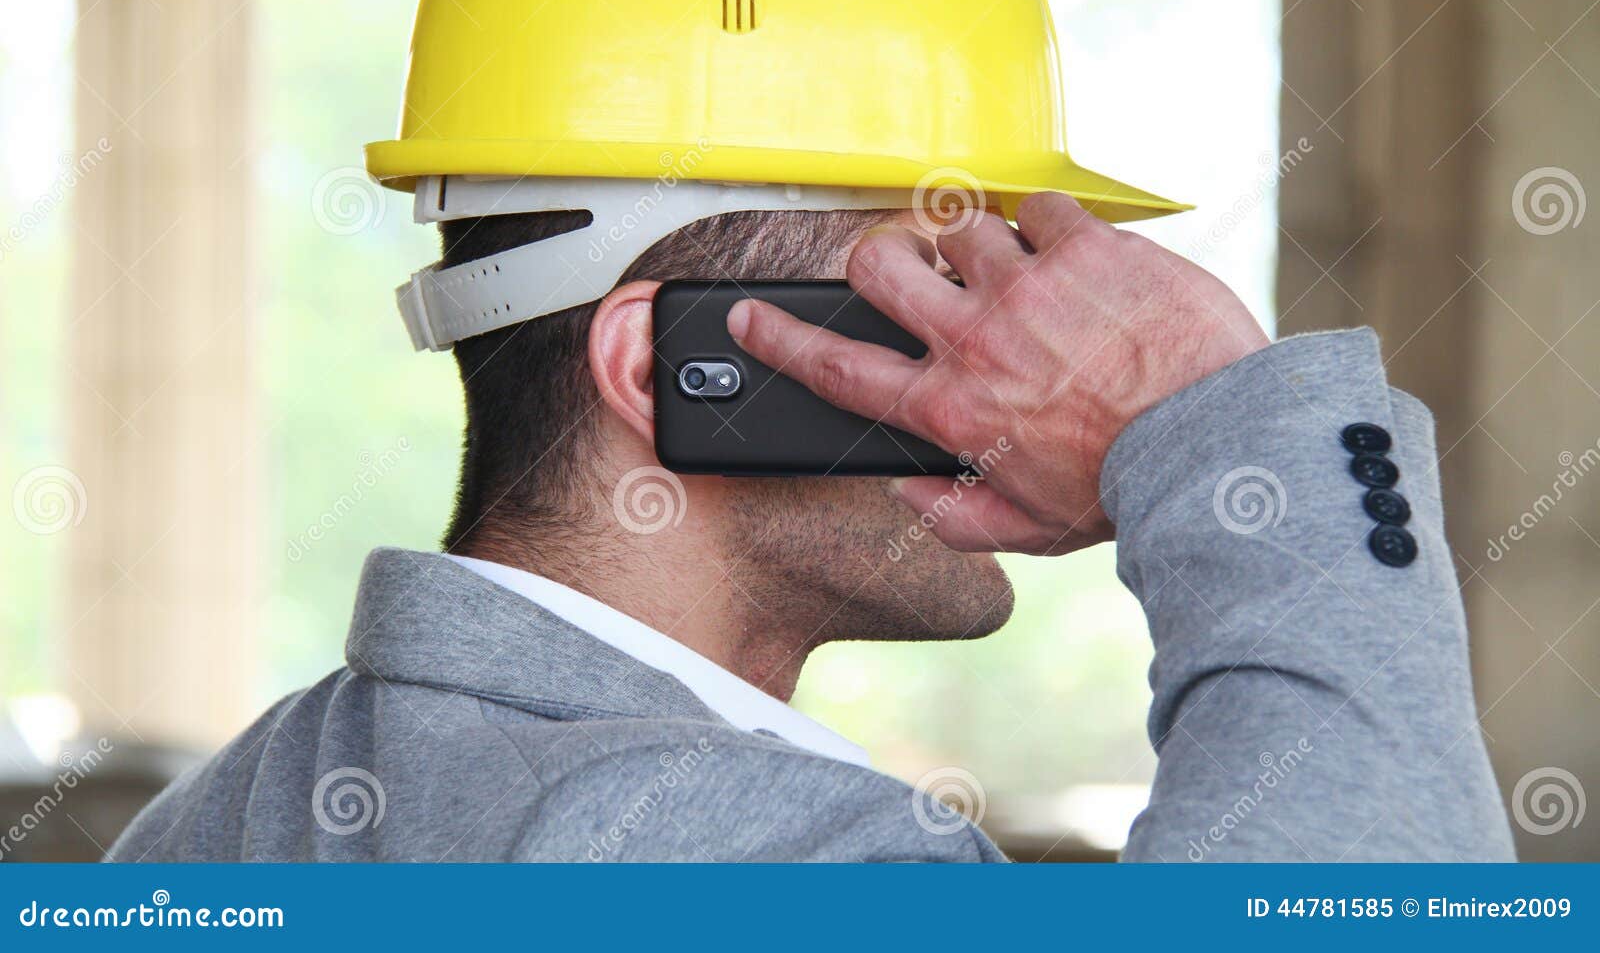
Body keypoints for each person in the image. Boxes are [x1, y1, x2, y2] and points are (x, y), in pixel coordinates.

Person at [107, 192, 1513, 862]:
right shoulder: (696, 837)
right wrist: (1223, 434)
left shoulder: (222, 812)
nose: (1010, 370)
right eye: (944, 289)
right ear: (670, 371)